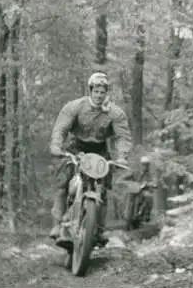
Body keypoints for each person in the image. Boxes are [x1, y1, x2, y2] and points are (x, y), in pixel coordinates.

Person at [48, 72, 132, 245]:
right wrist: (56, 146)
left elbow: (122, 136)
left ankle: (99, 230)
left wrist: (122, 156)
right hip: (75, 148)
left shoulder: (115, 113)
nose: (99, 95)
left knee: (103, 188)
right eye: (96, 91)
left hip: (100, 151)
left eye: (103, 92)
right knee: (63, 184)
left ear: (107, 93)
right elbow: (61, 128)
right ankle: (57, 225)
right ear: (90, 91)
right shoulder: (75, 106)